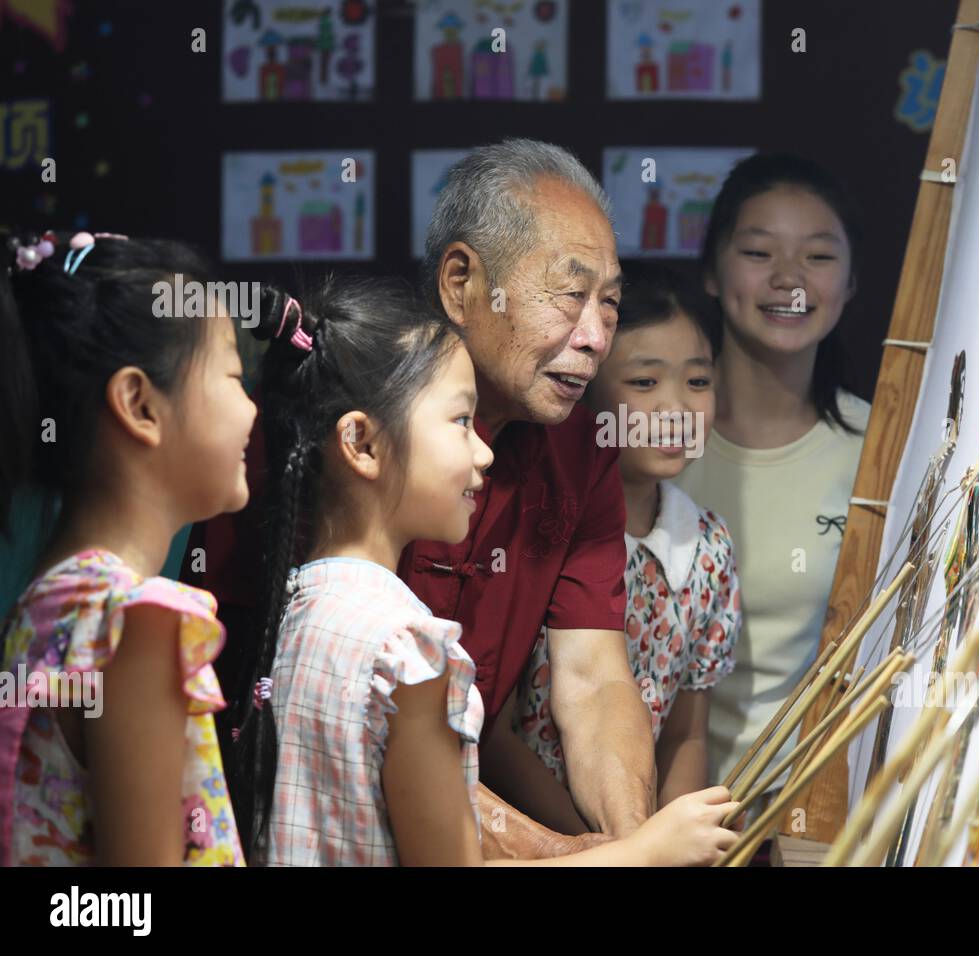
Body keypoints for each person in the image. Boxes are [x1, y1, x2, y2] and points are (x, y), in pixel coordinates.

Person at [187, 140, 660, 856]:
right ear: (462, 281)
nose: (594, 338)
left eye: (611, 305)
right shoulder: (335, 431)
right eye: (569, 296)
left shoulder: (583, 451)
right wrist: (587, 856)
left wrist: (635, 841)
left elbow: (594, 683)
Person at [238, 276, 738, 865]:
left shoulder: (305, 612)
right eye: (459, 422)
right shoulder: (410, 651)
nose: (484, 452)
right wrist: (644, 854)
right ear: (363, 444)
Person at [0, 231, 255, 865]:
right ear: (140, 403)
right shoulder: (135, 620)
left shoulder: (51, 597)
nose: (253, 409)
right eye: (232, 373)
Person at [512, 261, 742, 828]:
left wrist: (665, 839)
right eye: (644, 382)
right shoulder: (540, 525)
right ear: (586, 391)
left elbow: (687, 732)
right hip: (531, 834)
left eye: (698, 381)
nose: (676, 409)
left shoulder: (709, 547)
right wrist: (599, 847)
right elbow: (492, 729)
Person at [673, 154, 872, 801]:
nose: (789, 279)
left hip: (811, 822)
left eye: (818, 257)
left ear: (851, 281)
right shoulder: (649, 440)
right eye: (759, 252)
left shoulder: (883, 447)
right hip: (653, 819)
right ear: (711, 270)